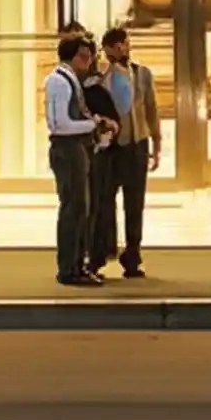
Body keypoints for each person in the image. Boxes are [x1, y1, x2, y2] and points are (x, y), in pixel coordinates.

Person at [89, 27, 161, 279]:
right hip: (110, 148)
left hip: (137, 144)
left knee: (135, 203)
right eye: (115, 45)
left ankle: (132, 255)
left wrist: (156, 143)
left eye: (124, 44)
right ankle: (99, 255)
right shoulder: (100, 75)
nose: (121, 49)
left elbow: (151, 109)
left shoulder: (142, 74)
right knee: (103, 201)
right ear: (106, 49)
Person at [45, 34, 117, 287]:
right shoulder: (59, 82)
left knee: (80, 209)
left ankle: (76, 264)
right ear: (72, 56)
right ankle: (69, 268)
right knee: (73, 208)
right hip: (68, 149)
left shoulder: (69, 80)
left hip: (75, 148)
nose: (88, 63)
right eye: (84, 57)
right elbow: (59, 124)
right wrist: (93, 124)